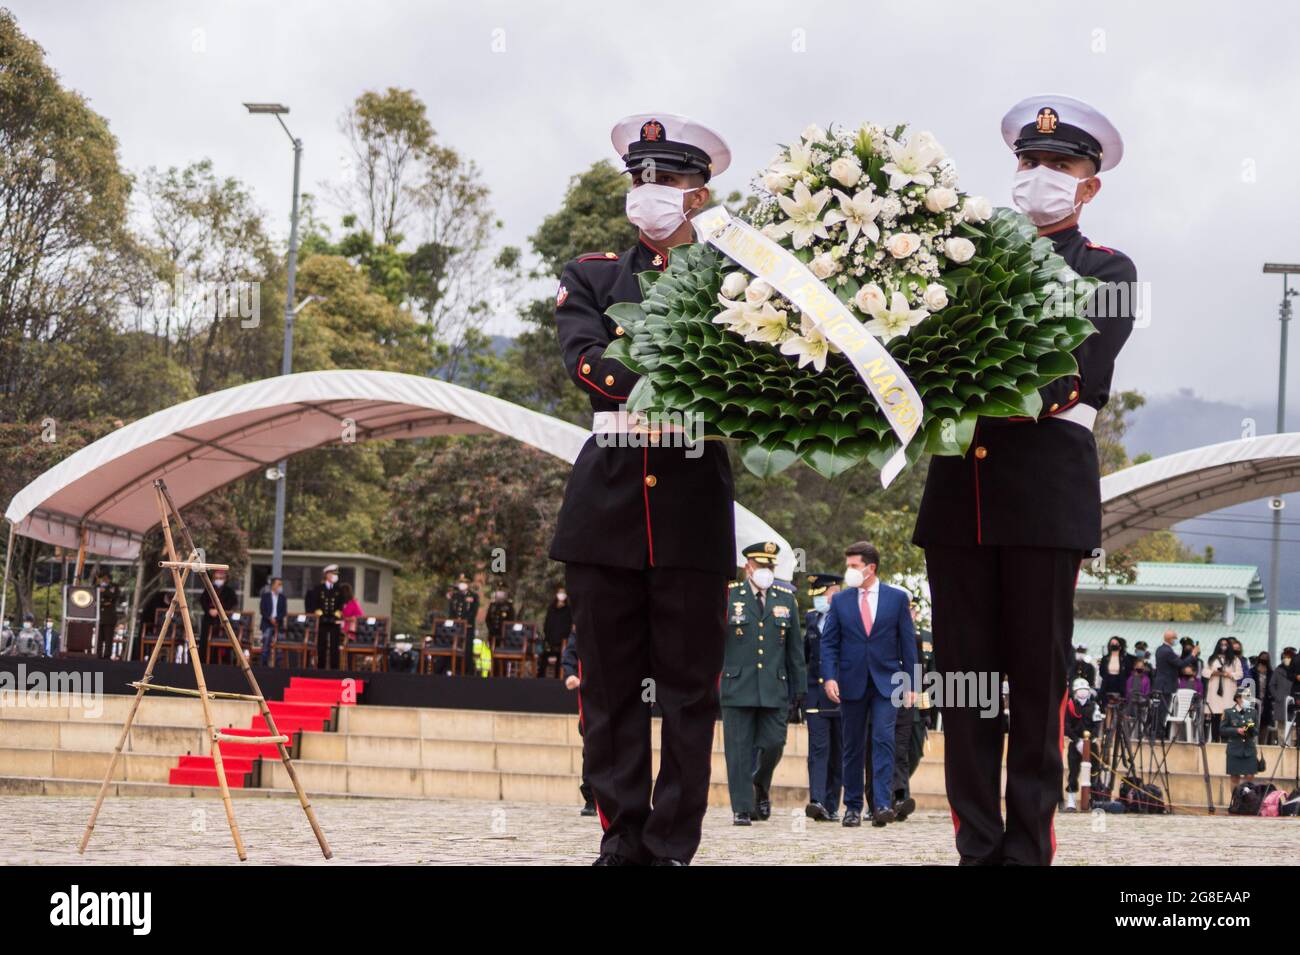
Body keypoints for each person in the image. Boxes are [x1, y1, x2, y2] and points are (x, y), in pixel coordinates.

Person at [912, 95, 1137, 865]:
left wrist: (974, 386)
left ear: (1089, 185)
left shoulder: (1108, 271)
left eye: (1060, 165)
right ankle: (976, 846)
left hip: (1043, 501)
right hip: (959, 504)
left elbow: (1075, 376)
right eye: (1029, 162)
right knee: (968, 688)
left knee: (1036, 689)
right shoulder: (959, 262)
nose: (1039, 176)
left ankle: (1026, 848)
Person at [549, 113, 735, 866]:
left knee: (690, 695)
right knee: (611, 690)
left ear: (700, 193)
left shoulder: (736, 281)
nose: (650, 192)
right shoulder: (592, 274)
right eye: (641, 178)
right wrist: (677, 384)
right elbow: (585, 359)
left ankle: (671, 843)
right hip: (608, 505)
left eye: (668, 179)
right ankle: (619, 835)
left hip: (691, 505)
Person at [821, 541, 917, 828]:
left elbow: (907, 643)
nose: (848, 570)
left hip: (887, 683)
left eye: (853, 565)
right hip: (851, 683)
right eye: (848, 565)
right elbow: (829, 643)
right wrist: (829, 677)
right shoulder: (840, 601)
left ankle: (882, 805)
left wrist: (911, 684)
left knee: (883, 741)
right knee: (852, 745)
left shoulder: (896, 599)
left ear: (870, 568)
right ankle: (852, 806)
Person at [720, 542, 803, 826]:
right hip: (737, 686)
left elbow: (795, 651)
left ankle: (759, 783)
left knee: (774, 743)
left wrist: (799, 691)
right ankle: (742, 808)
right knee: (738, 750)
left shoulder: (785, 600)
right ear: (748, 567)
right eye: (761, 567)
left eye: (770, 567)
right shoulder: (729, 597)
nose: (766, 572)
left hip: (774, 687)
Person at [802, 572, 844, 822]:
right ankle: (816, 800)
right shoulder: (810, 618)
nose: (821, 599)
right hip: (816, 694)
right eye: (818, 595)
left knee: (838, 751)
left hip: (840, 695)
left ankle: (832, 803)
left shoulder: (847, 620)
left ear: (835, 593)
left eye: (825, 594)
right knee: (818, 750)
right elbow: (805, 656)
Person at [561, 631, 597, 816]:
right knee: (590, 746)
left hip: (619, 694)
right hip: (592, 695)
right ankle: (591, 798)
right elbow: (570, 655)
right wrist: (571, 674)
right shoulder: (585, 625)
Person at [1062, 678, 1101, 811]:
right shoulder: (1070, 706)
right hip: (1075, 743)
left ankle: (1093, 799)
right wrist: (1077, 740)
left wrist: (1088, 742)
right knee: (1074, 771)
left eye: (1084, 690)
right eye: (1079, 690)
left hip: (1091, 744)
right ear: (1075, 692)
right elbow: (1066, 726)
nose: (1082, 693)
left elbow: (1097, 725)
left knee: (1094, 771)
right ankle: (1071, 802)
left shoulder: (1094, 706)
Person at [305, 564, 344, 670]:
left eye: (335, 574)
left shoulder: (338, 589)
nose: (335, 576)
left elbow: (340, 605)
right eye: (332, 573)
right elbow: (315, 604)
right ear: (327, 574)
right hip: (322, 621)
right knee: (321, 646)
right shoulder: (319, 589)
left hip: (334, 622)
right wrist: (321, 616)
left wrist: (335, 616)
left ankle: (334, 669)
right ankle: (321, 668)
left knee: (334, 646)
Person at [1203, 638, 1242, 740]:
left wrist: (1228, 674)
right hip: (1215, 692)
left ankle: (1225, 740)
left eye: (1226, 644)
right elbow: (1204, 672)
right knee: (1215, 717)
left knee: (1226, 717)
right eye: (1221, 644)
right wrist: (1213, 672)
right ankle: (1215, 739)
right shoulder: (1212, 658)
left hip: (1228, 692)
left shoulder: (1235, 659)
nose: (1223, 646)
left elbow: (1239, 674)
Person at [198, 569, 238, 663]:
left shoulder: (229, 591)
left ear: (225, 579)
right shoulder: (209, 589)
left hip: (222, 620)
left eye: (221, 578)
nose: (218, 580)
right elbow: (203, 601)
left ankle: (222, 662)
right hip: (209, 619)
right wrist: (209, 610)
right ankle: (205, 661)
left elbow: (232, 603)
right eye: (216, 578)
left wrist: (219, 610)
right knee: (205, 639)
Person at [1222, 691, 1258, 789]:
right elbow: (1222, 730)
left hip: (1249, 749)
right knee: (1234, 777)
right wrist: (1236, 730)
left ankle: (1247, 799)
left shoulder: (1253, 712)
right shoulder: (1228, 712)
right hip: (1234, 748)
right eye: (1245, 697)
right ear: (1238, 698)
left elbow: (1256, 730)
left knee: (1250, 776)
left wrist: (1250, 729)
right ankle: (1235, 801)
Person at [446, 574, 480, 675]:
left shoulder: (473, 596)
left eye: (464, 583)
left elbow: (473, 612)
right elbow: (451, 611)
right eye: (460, 583)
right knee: (454, 647)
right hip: (456, 628)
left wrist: (464, 622)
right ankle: (452, 669)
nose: (462, 585)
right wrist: (454, 623)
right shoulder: (455, 596)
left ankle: (467, 671)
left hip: (468, 627)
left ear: (468, 584)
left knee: (467, 649)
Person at [537, 585, 572, 679]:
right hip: (550, 639)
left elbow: (569, 625)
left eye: (563, 593)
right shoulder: (551, 609)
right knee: (544, 657)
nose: (562, 595)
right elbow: (547, 624)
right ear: (556, 594)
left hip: (563, 640)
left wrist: (565, 638)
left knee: (561, 658)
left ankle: (558, 678)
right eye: (560, 592)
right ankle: (540, 677)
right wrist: (547, 637)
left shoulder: (568, 610)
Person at [1268, 647, 1296, 744]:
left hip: (1294, 701)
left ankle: (1292, 745)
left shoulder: (1296, 670)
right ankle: (1281, 744)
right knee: (1281, 725)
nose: (1286, 659)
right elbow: (1271, 685)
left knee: (1293, 724)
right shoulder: (1278, 670)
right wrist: (1277, 696)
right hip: (1281, 702)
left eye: (1289, 657)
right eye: (1285, 657)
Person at [259, 577, 287, 668]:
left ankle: (278, 666)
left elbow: (284, 612)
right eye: (279, 584)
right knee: (266, 643)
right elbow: (262, 610)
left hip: (279, 624)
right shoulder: (265, 596)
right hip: (267, 623)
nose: (280, 586)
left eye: (281, 584)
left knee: (279, 646)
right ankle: (264, 665)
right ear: (273, 585)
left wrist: (276, 619)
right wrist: (270, 618)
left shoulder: (283, 598)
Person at [95, 570, 120, 660]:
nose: (104, 579)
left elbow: (114, 596)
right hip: (99, 615)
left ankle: (107, 655)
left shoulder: (114, 586)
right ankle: (98, 654)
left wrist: (105, 591)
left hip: (109, 616)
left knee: (108, 638)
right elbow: (95, 598)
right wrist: (104, 601)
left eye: (106, 578)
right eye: (103, 578)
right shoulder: (97, 586)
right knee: (99, 638)